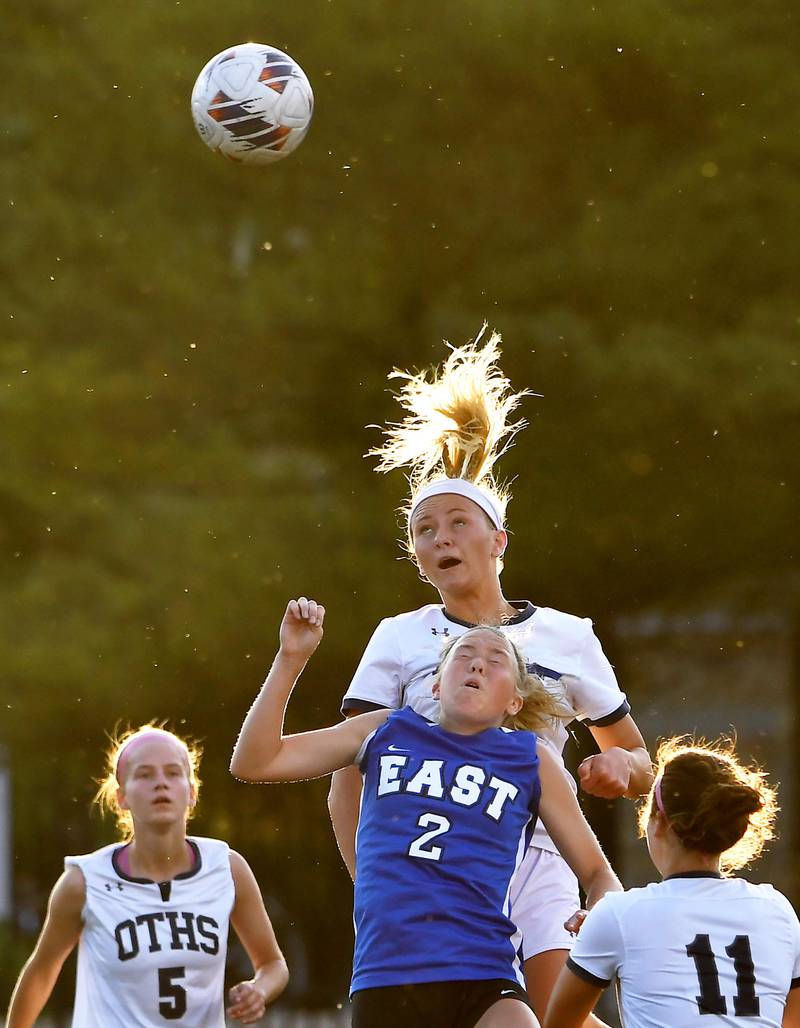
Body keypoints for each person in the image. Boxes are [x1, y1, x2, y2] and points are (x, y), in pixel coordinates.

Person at [327, 328, 653, 1023]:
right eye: (423, 531)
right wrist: (377, 885)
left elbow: (639, 761)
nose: (439, 538)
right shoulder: (399, 637)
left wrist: (621, 770)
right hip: (428, 865)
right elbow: (348, 778)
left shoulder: (567, 635)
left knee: (553, 1010)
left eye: (455, 523)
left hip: (535, 851)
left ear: (498, 540)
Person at [231, 597, 622, 1028]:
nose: (477, 665)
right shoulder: (385, 729)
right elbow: (255, 761)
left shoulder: (531, 757)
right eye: (463, 655)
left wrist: (597, 913)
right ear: (435, 685)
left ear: (514, 700)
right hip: (389, 976)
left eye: (496, 661)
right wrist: (290, 659)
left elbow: (598, 874)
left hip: (485, 972)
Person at [6, 724, 288, 1028]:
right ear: (121, 797)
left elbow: (273, 965)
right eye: (144, 775)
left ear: (191, 792)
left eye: (173, 773)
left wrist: (258, 990)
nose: (161, 784)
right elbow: (41, 972)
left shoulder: (227, 868)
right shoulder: (84, 883)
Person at [543, 737, 800, 1028]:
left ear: (658, 822)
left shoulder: (619, 914)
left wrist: (597, 933)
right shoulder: (777, 909)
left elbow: (558, 1024)